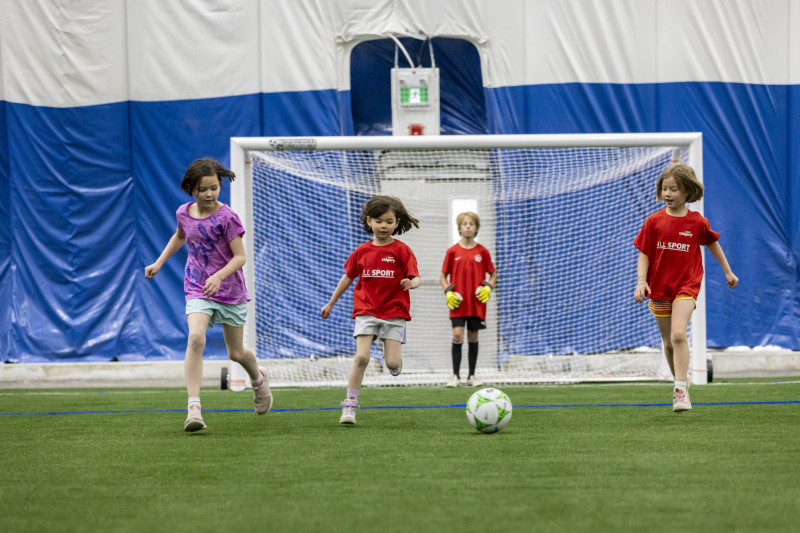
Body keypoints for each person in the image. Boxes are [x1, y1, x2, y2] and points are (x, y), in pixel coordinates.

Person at [145, 158, 272, 432]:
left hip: (230, 289)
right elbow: (180, 236)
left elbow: (240, 257)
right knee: (196, 337)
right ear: (191, 189)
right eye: (203, 189)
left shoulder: (227, 217)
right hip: (197, 286)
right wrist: (159, 262)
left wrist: (218, 276)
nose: (209, 194)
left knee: (236, 353)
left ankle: (258, 380)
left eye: (214, 188)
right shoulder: (183, 213)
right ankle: (194, 408)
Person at [634, 164, 737, 413]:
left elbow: (712, 244)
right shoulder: (654, 221)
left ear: (688, 191)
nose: (667, 194)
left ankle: (680, 391)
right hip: (659, 289)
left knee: (679, 334)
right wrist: (641, 280)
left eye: (674, 189)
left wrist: (727, 271)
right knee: (669, 343)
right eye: (664, 189)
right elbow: (644, 253)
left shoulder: (697, 223)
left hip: (686, 286)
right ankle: (681, 380)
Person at [321, 196, 420, 425]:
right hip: (366, 310)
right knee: (362, 357)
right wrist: (331, 303)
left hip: (394, 312)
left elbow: (416, 278)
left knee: (393, 364)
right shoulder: (362, 251)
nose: (383, 225)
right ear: (369, 221)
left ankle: (394, 359)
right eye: (378, 220)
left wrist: (411, 283)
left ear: (396, 223)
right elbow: (347, 278)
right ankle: (349, 406)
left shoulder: (402, 250)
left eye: (389, 221)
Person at [439, 212, 497, 388]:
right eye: (464, 224)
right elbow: (443, 276)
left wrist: (488, 286)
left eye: (471, 224)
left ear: (476, 228)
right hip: (458, 302)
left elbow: (493, 274)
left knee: (473, 336)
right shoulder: (452, 251)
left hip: (477, 303)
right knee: (457, 335)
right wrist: (448, 291)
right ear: (459, 228)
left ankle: (472, 376)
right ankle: (455, 376)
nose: (468, 226)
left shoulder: (483, 251)